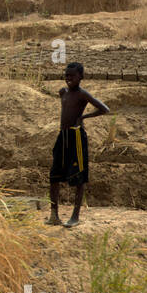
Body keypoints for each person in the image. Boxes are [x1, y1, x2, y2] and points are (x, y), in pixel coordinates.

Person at [48, 62, 110, 228]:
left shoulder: (83, 94)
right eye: (66, 75)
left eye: (72, 76)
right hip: (63, 136)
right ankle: (54, 214)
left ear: (80, 77)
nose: (68, 78)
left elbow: (105, 109)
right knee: (54, 175)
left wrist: (84, 117)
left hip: (76, 137)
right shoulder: (63, 92)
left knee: (79, 176)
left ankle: (75, 216)